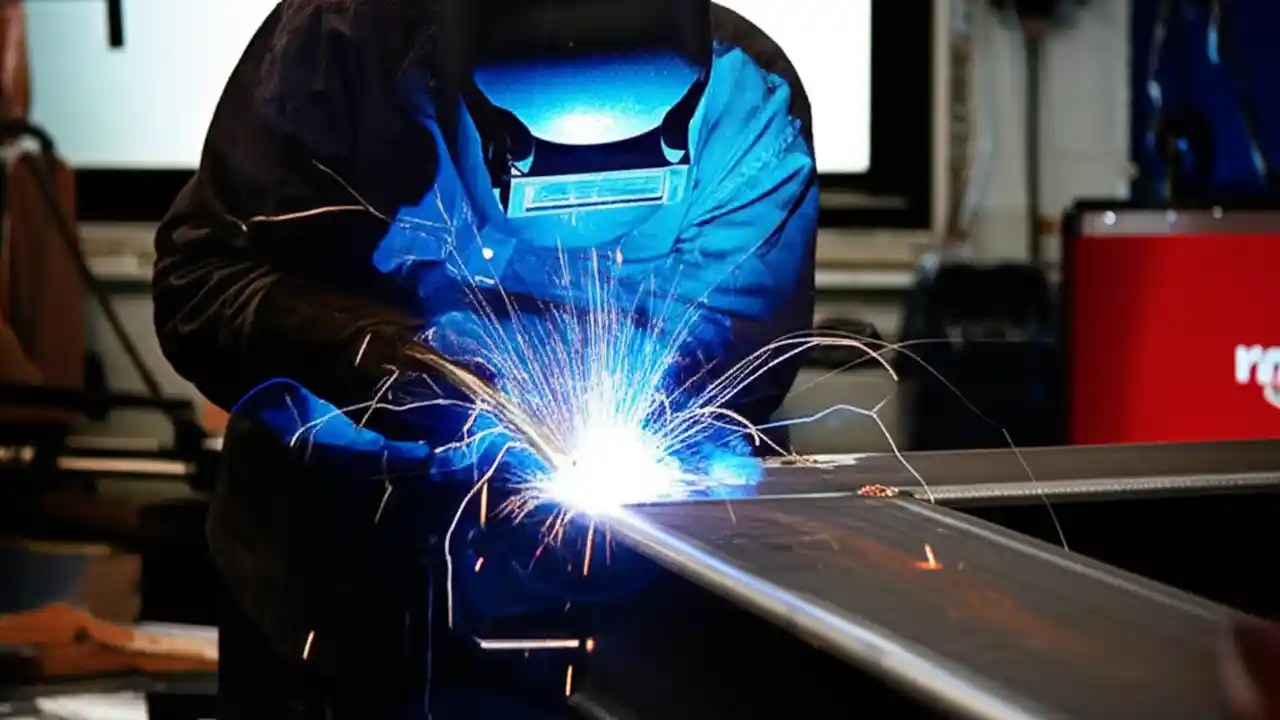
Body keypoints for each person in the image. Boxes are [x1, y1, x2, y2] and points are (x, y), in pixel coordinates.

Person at [153, 0, 819, 717]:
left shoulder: (747, 108)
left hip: (604, 640)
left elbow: (731, 376)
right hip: (325, 602)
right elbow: (201, 284)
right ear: (450, 64)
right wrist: (367, 350)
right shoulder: (338, 49)